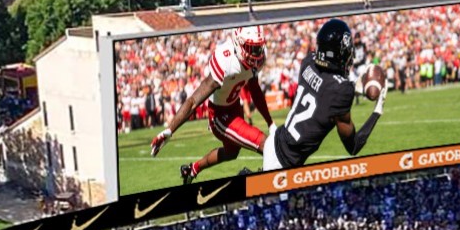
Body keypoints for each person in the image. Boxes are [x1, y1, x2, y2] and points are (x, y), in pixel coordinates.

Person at [150, 26, 277, 186]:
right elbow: (193, 101)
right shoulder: (225, 61)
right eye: (251, 48)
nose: (257, 53)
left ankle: (193, 169)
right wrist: (169, 130)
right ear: (238, 44)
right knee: (268, 146)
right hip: (220, 116)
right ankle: (263, 188)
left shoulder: (256, 59)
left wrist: (270, 122)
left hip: (234, 106)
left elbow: (254, 89)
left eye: (258, 47)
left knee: (232, 153)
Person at [264, 19, 385, 172]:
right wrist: (377, 112)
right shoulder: (341, 91)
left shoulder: (308, 62)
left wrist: (354, 86)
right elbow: (353, 147)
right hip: (284, 162)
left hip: (275, 142)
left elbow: (324, 89)